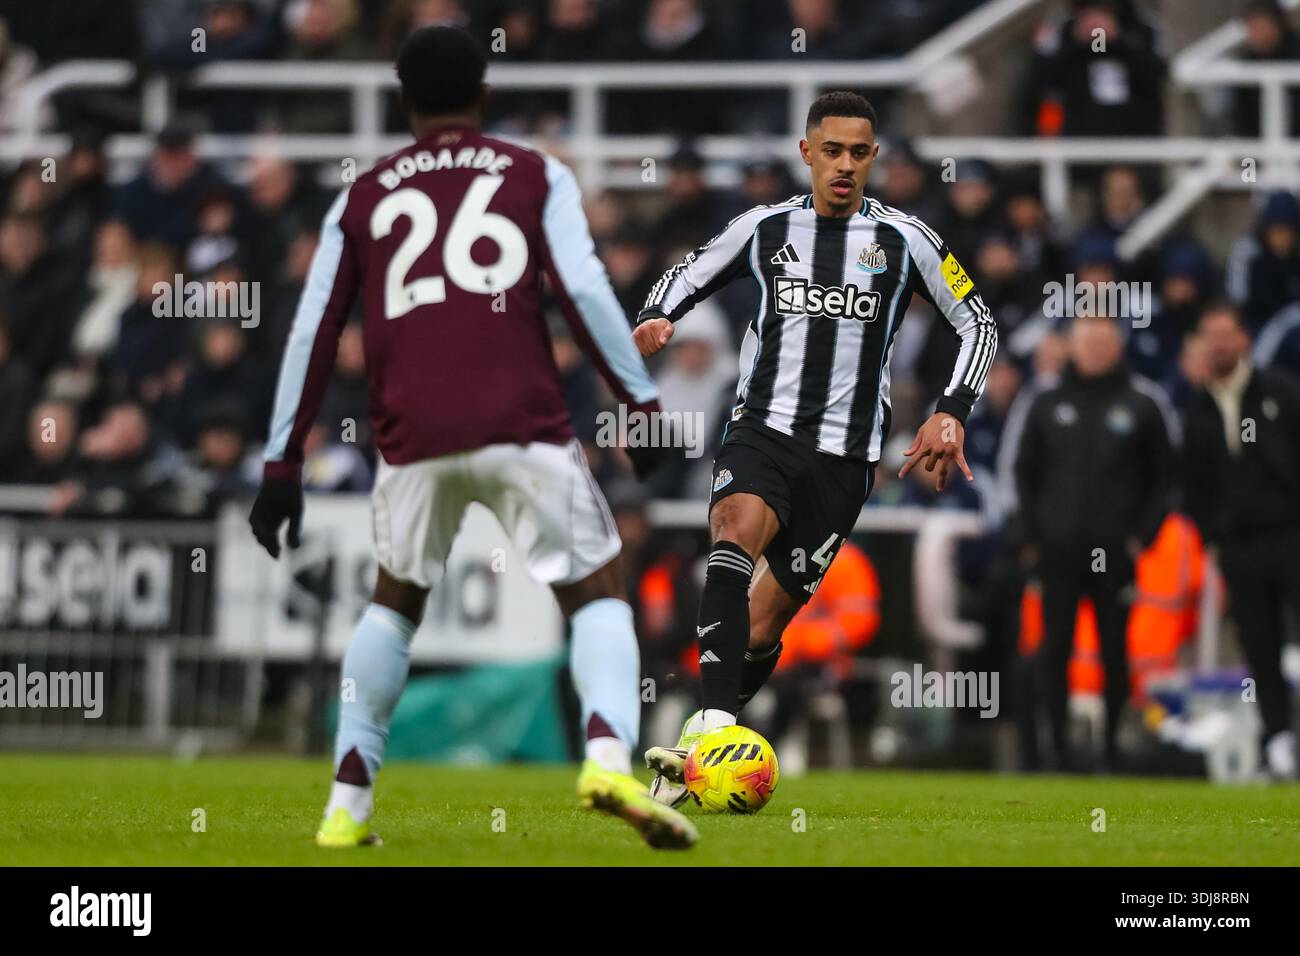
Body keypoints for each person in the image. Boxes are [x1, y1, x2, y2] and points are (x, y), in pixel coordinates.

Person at [248, 25, 696, 850]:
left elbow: (313, 330)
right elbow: (585, 290)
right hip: (521, 421)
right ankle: (605, 758)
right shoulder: (533, 173)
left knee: (394, 607)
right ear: (484, 95)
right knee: (598, 591)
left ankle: (346, 809)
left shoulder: (363, 195)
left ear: (401, 102)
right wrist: (639, 400)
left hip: (412, 434)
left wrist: (282, 461)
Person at [632, 90, 998, 805]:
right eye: (831, 150)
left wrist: (952, 410)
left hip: (846, 459)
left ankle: (696, 756)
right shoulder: (764, 227)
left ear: (874, 159)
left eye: (859, 153)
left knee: (765, 624)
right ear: (807, 153)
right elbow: (687, 272)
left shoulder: (906, 240)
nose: (844, 165)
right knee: (732, 531)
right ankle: (711, 727)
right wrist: (653, 315)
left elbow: (977, 321)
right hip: (763, 427)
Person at [1010, 315, 1176, 771]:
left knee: (1114, 649)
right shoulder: (1045, 403)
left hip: (1115, 554)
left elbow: (1163, 478)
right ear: (1072, 347)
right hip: (1058, 552)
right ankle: (1058, 748)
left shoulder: (1142, 404)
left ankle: (1111, 747)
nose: (1097, 351)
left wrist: (1143, 536)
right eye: (1088, 342)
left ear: (1118, 347)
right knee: (1055, 649)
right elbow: (1023, 473)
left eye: (1105, 342)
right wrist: (1031, 535)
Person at [1183, 303, 1300, 779]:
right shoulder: (1198, 409)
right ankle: (1278, 740)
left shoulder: (1281, 393)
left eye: (1226, 335)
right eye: (1210, 336)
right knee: (1259, 643)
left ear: (1244, 339)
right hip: (1239, 548)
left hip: (1291, 536)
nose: (1219, 345)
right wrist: (1214, 535)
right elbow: (1193, 483)